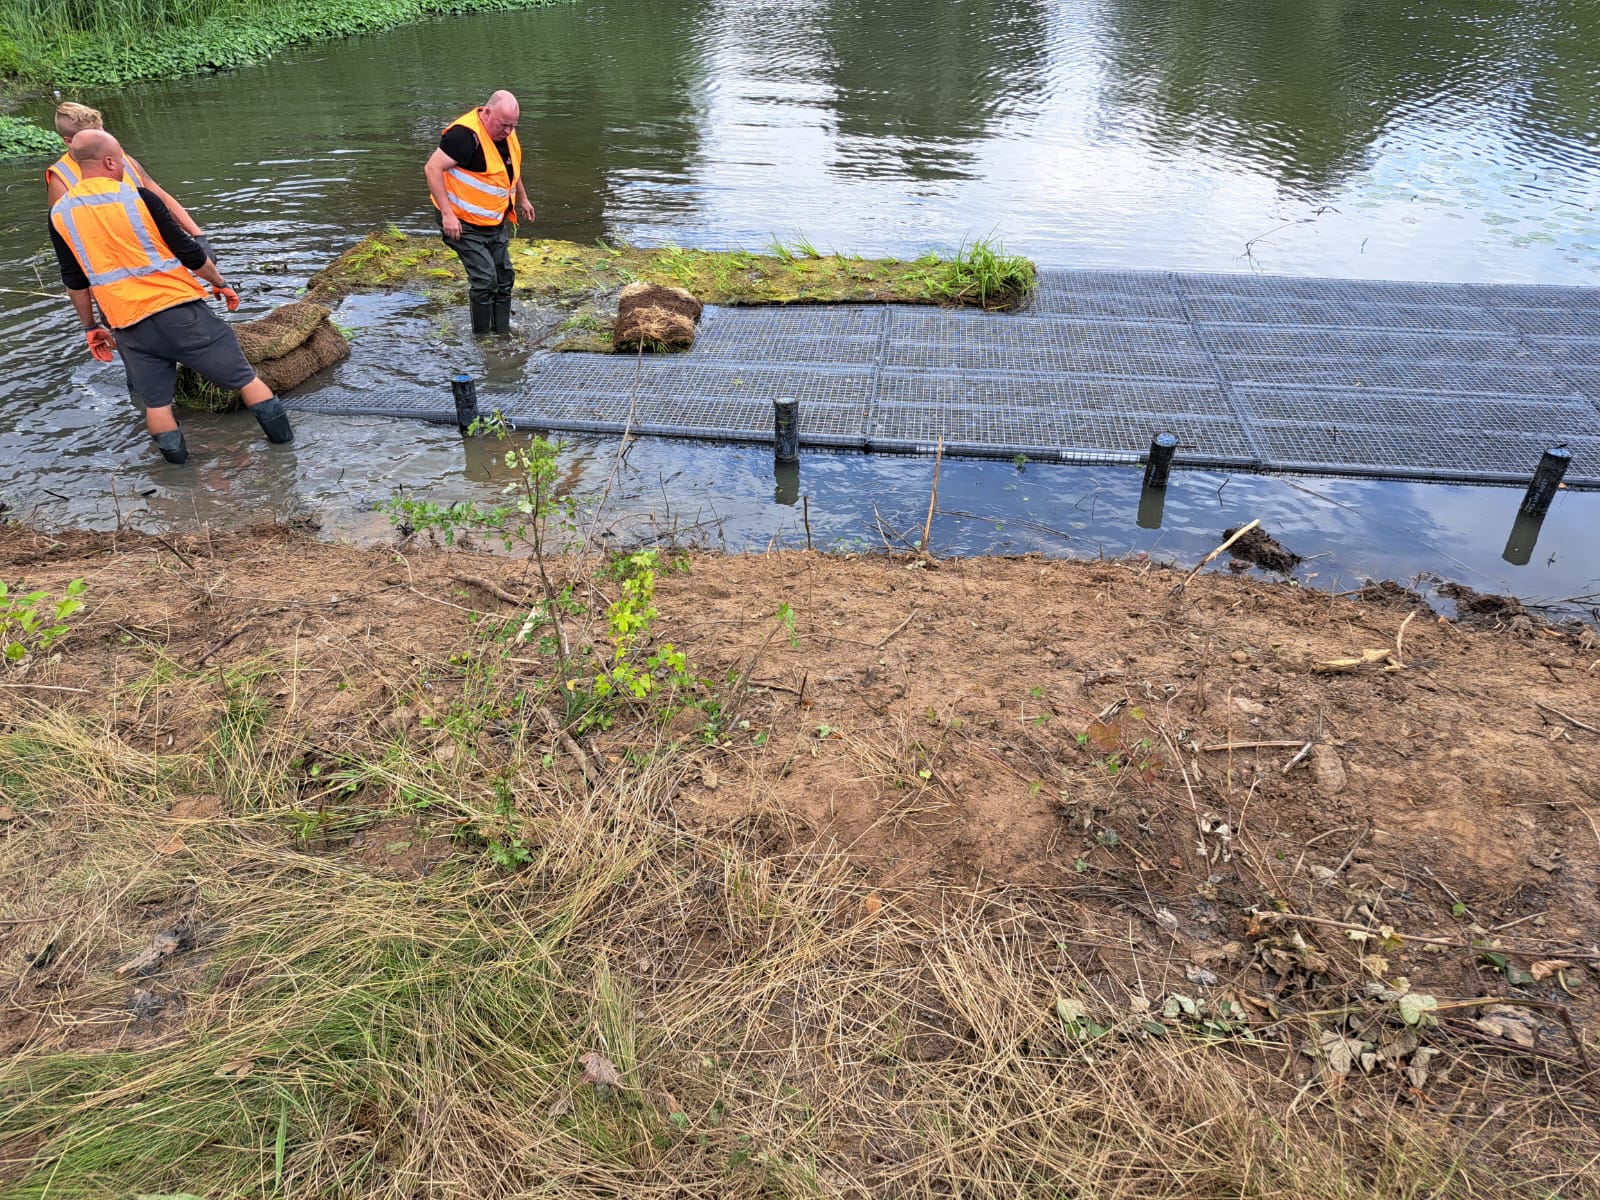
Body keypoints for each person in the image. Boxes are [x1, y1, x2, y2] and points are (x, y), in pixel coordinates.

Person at [49, 130, 293, 466]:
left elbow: (74, 281)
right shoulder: (138, 198)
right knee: (245, 380)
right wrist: (220, 283)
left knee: (157, 405)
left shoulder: (60, 214)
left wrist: (90, 327)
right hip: (180, 312)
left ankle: (181, 483)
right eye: (120, 159)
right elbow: (189, 253)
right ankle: (287, 459)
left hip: (127, 326)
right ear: (110, 161)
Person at [423, 90, 536, 337]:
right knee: (485, 280)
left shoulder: (507, 133)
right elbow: (432, 168)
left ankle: (503, 332)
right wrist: (447, 215)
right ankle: (483, 339)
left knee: (505, 276)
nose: (508, 131)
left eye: (512, 126)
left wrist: (523, 198)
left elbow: (510, 170)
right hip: (462, 222)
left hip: (493, 220)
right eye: (504, 125)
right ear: (486, 113)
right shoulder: (463, 137)